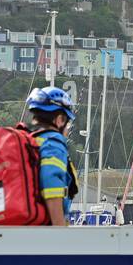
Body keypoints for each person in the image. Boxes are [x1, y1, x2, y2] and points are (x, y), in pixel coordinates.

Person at [25, 86, 79, 226]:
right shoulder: (53, 142)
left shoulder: (27, 140)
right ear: (60, 119)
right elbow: (51, 183)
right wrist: (59, 230)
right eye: (68, 123)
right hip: (43, 230)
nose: (67, 128)